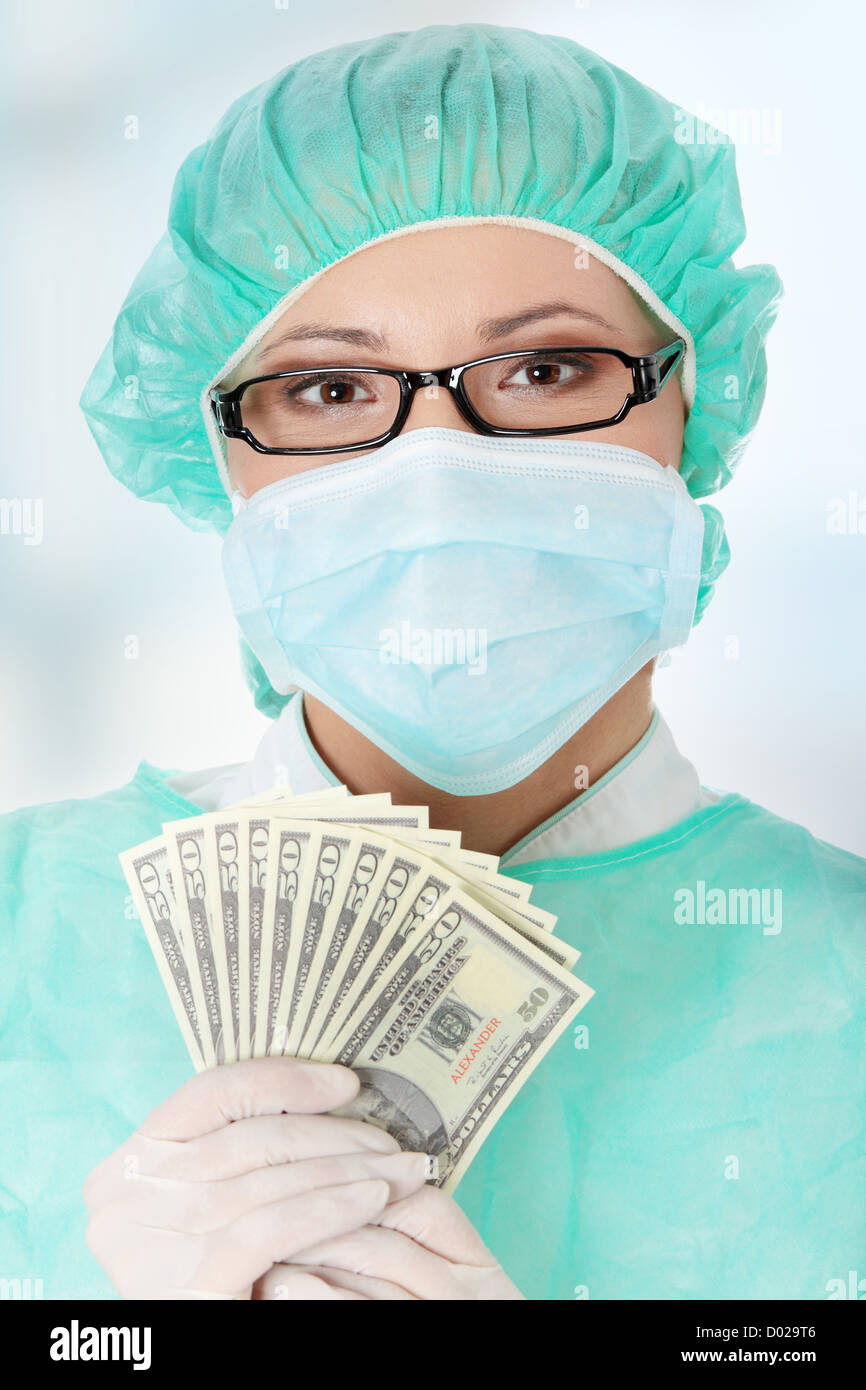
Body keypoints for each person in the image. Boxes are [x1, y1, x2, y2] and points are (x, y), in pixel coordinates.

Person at [2, 23, 863, 1302]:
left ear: (694, 407)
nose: (436, 465)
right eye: (329, 390)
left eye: (547, 367)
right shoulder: (22, 928)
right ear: (217, 452)